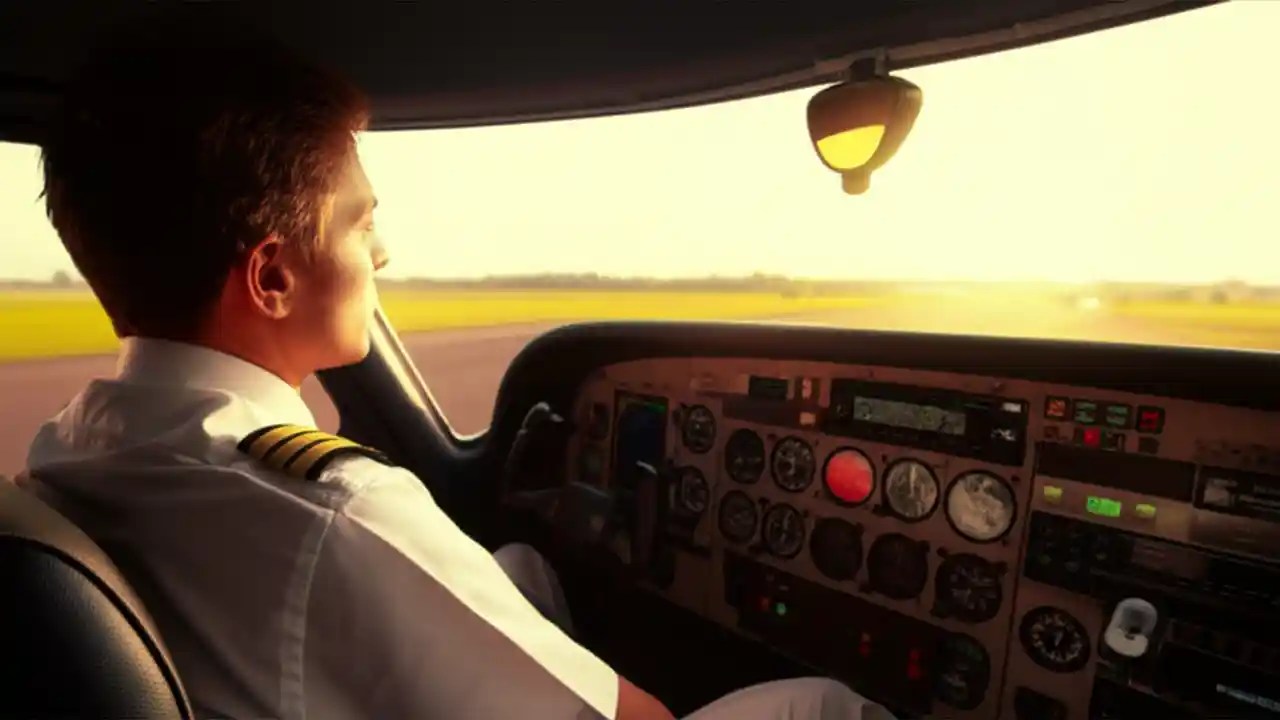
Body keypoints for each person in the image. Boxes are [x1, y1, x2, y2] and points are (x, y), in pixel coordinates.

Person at [19, 11, 894, 720]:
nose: (384, 251)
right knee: (821, 704)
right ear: (274, 276)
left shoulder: (74, 446)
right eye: (360, 222)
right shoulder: (335, 510)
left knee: (525, 568)